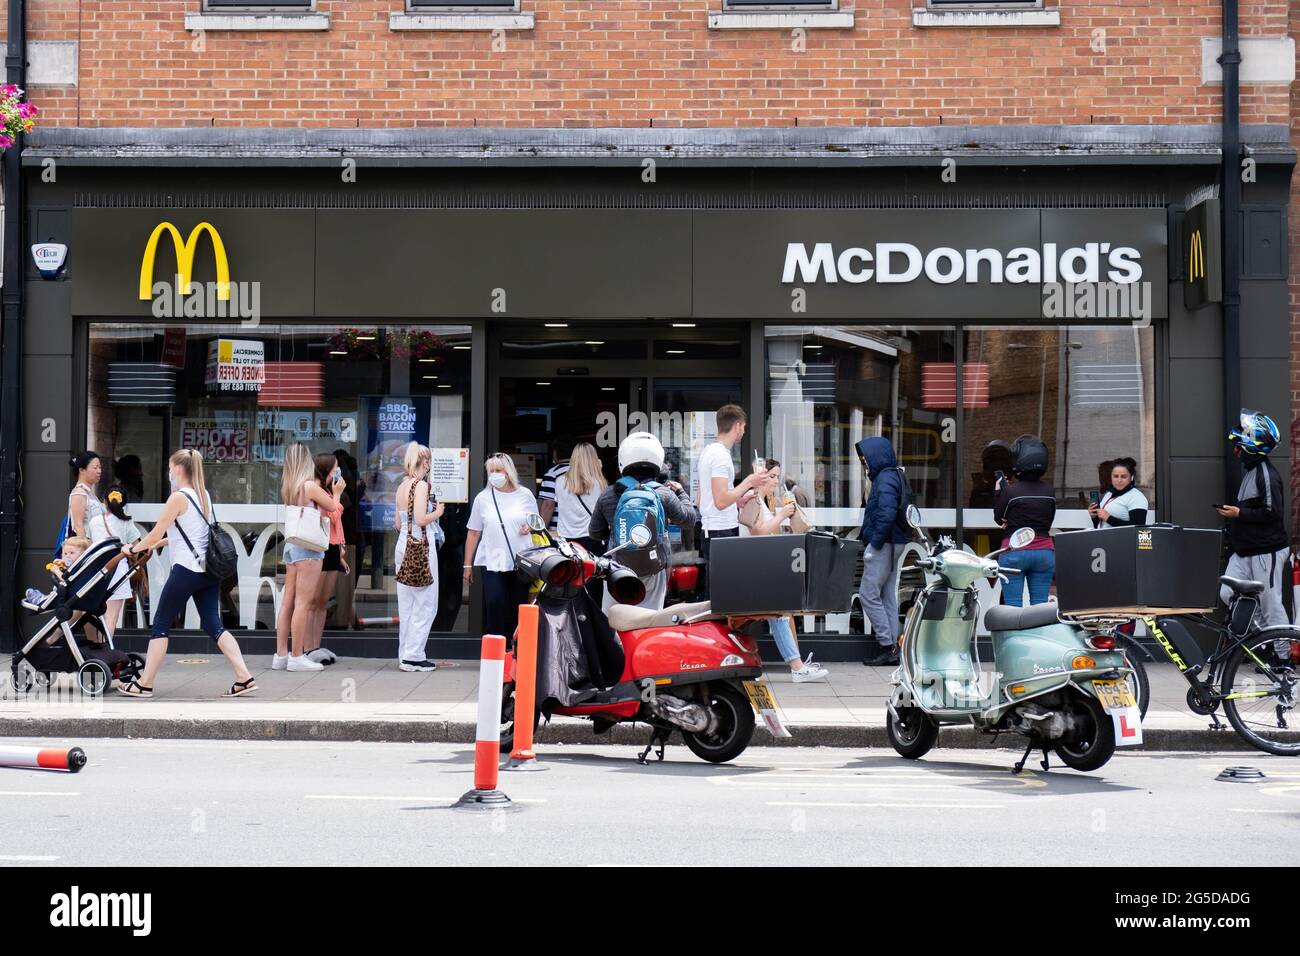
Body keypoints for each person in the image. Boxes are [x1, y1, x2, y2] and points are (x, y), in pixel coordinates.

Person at [117, 449, 257, 699]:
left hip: (186, 571)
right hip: (208, 572)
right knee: (214, 625)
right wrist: (161, 544)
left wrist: (132, 548)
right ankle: (244, 677)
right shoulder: (203, 495)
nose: (169, 472)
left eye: (170, 467)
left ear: (179, 469)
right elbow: (194, 534)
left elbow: (156, 531)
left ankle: (145, 684)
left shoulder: (178, 498)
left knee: (160, 625)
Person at [742, 458, 828, 682]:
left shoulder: (762, 501)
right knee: (777, 616)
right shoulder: (754, 501)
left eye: (777, 477)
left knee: (776, 616)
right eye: (771, 476)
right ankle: (797, 667)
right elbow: (758, 532)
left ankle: (795, 666)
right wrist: (781, 516)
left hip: (759, 569)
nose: (775, 481)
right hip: (754, 571)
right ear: (761, 477)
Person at [589, 432, 695, 612]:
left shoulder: (608, 494)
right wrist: (680, 492)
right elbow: (688, 520)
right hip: (654, 567)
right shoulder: (664, 493)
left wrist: (618, 534)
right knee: (650, 619)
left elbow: (594, 532)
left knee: (614, 620)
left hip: (617, 568)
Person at [1217, 409, 1289, 631]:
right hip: (1245, 550)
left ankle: (1281, 658)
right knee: (1227, 592)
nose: (1236, 451)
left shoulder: (1266, 474)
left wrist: (1239, 514)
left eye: (1239, 446)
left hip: (1266, 550)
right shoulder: (1251, 470)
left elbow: (1273, 512)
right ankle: (1262, 642)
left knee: (1271, 605)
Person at [274, 442, 343, 673]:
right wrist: (337, 492)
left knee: (288, 603)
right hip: (308, 549)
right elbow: (332, 506)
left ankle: (281, 654)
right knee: (303, 603)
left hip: (292, 546)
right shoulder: (309, 487)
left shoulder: (289, 487)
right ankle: (296, 656)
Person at [695, 404, 771, 598]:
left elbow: (704, 498)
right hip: (720, 531)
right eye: (744, 427)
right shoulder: (720, 456)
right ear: (737, 426)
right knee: (721, 595)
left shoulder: (708, 452)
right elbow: (720, 501)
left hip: (713, 528)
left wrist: (737, 500)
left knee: (717, 592)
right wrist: (749, 482)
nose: (744, 431)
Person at [464, 453, 539, 641]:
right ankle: (496, 651)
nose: (494, 475)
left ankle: (516, 651)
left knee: (518, 606)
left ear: (509, 472)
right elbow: (473, 532)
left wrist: (528, 526)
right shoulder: (483, 498)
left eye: (498, 470)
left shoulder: (525, 494)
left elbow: (536, 522)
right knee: (494, 603)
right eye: (491, 471)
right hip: (492, 558)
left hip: (520, 560)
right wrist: (467, 565)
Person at [67, 451, 132, 640]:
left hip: (95, 554)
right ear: (82, 470)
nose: (99, 471)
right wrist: (88, 554)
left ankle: (95, 646)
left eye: (100, 467)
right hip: (88, 554)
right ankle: (92, 645)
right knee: (83, 604)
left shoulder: (90, 493)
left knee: (84, 605)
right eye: (94, 467)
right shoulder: (79, 494)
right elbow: (78, 526)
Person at [856, 437, 909, 666]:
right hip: (894, 543)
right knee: (887, 595)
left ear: (876, 455)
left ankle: (887, 645)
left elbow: (886, 514)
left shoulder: (885, 478)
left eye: (865, 456)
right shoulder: (892, 475)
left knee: (868, 594)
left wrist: (874, 544)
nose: (864, 461)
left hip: (885, 544)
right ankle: (893, 649)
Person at [394, 442, 444, 672]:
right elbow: (422, 519)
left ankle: (405, 653)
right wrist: (439, 511)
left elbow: (398, 523)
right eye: (429, 461)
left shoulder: (401, 486)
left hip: (403, 544)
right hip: (421, 546)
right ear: (425, 462)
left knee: (407, 604)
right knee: (426, 603)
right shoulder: (421, 485)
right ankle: (414, 656)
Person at [994, 435, 1057, 607]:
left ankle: (1014, 635)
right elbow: (1048, 521)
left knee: (1013, 606)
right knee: (1040, 606)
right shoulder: (1049, 490)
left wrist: (999, 492)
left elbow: (998, 518)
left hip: (1015, 551)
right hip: (1044, 551)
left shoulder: (1011, 492)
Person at [304, 453, 349, 666]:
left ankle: (316, 645)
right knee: (312, 601)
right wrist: (337, 496)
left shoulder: (329, 490)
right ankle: (307, 648)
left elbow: (337, 525)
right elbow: (332, 515)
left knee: (323, 601)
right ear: (325, 470)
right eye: (334, 469)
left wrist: (340, 551)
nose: (337, 472)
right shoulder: (318, 491)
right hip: (319, 546)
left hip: (332, 548)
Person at [550, 441, 608, 604]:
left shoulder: (560, 482)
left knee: (570, 586)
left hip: (568, 543)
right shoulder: (600, 484)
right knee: (594, 590)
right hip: (592, 541)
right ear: (594, 460)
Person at [332, 449, 362, 630]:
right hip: (351, 539)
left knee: (343, 589)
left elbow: (336, 512)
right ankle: (353, 623)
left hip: (346, 540)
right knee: (345, 590)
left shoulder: (344, 493)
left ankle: (344, 623)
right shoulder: (355, 488)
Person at [1089, 457, 1148, 528]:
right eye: (1115, 476)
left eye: (1123, 477)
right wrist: (1094, 517)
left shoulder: (1136, 497)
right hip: (1104, 537)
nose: (1119, 480)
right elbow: (1101, 524)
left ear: (1131, 477)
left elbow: (1138, 527)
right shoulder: (1109, 494)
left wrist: (1109, 518)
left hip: (1122, 539)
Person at [537, 435, 576, 533]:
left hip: (559, 532)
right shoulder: (584, 473)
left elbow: (548, 505)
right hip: (584, 531)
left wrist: (541, 531)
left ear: (555, 453)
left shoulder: (552, 474)